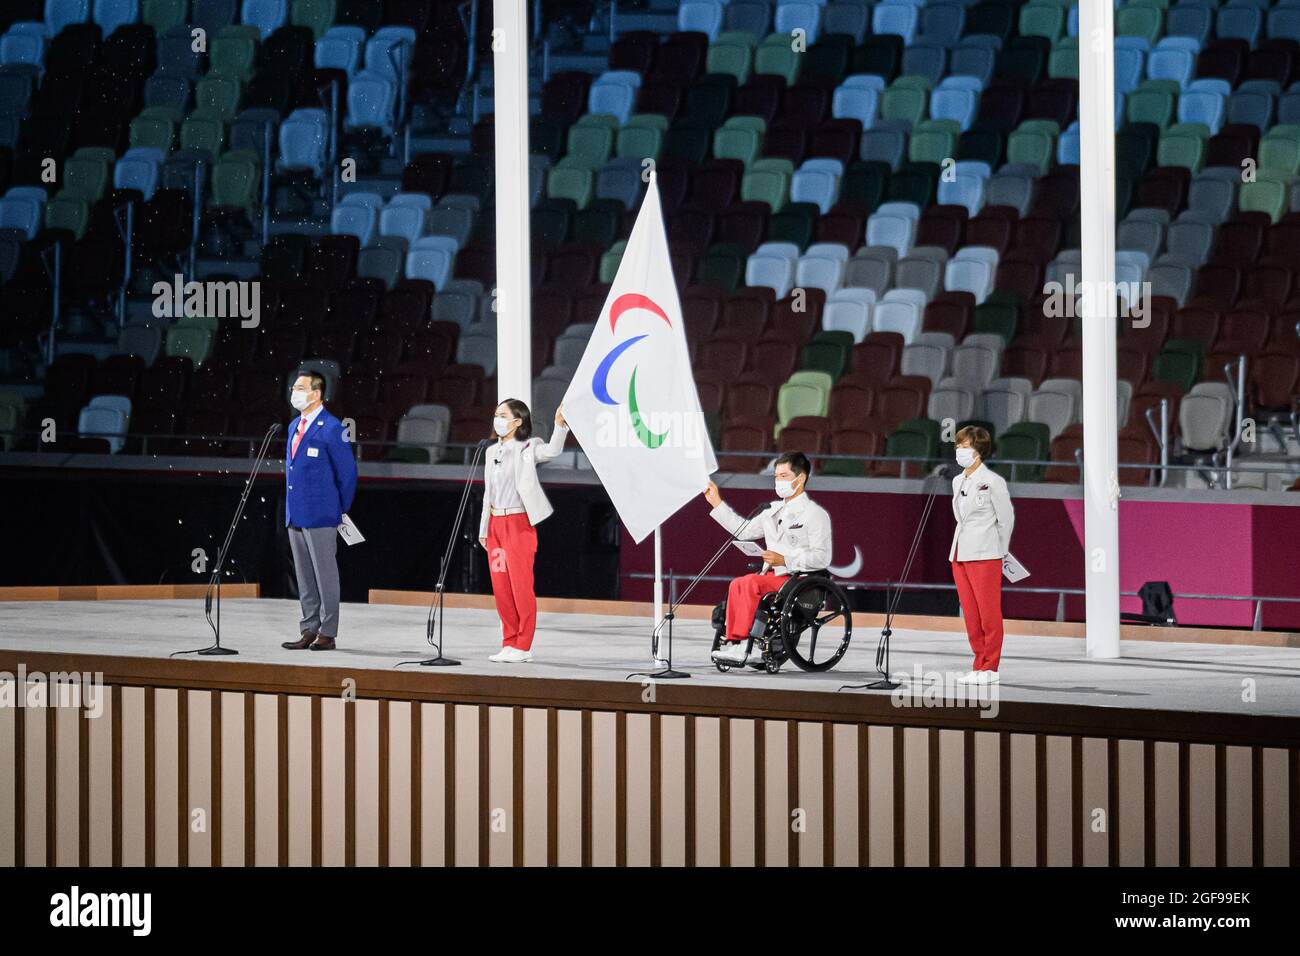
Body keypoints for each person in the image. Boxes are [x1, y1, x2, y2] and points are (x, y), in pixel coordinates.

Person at [702, 451, 832, 666]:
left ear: (800, 479)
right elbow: (743, 531)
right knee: (739, 583)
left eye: (784, 476)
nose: (778, 481)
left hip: (799, 578)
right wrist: (717, 503)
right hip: (773, 575)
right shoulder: (771, 510)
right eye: (776, 476)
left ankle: (745, 644)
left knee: (750, 582)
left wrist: (786, 559)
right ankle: (737, 642)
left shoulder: (815, 514)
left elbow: (822, 557)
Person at [478, 399, 570, 662]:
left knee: (520, 586)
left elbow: (552, 452)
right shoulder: (489, 452)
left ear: (517, 421)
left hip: (518, 524)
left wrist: (559, 426)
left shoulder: (529, 447)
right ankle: (509, 641)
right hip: (496, 524)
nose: (497, 419)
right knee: (501, 586)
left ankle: (523, 644)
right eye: (496, 414)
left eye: (503, 415)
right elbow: (488, 493)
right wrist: (484, 528)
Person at [281, 371, 357, 652]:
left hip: (322, 514)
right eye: (294, 386)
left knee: (325, 574)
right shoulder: (293, 426)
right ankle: (309, 627)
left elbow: (347, 474)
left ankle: (328, 631)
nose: (294, 391)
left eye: (300, 387)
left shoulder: (332, 428)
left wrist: (338, 509)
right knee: (304, 576)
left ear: (316, 393)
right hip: (296, 513)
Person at [949, 425, 1015, 684]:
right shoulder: (957, 480)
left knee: (988, 612)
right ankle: (979, 663)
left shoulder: (993, 482)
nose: (960, 451)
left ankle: (991, 666)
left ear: (978, 451)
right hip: (960, 552)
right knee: (971, 613)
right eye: (958, 446)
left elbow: (1006, 519)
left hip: (986, 553)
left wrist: (1001, 550)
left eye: (965, 447)